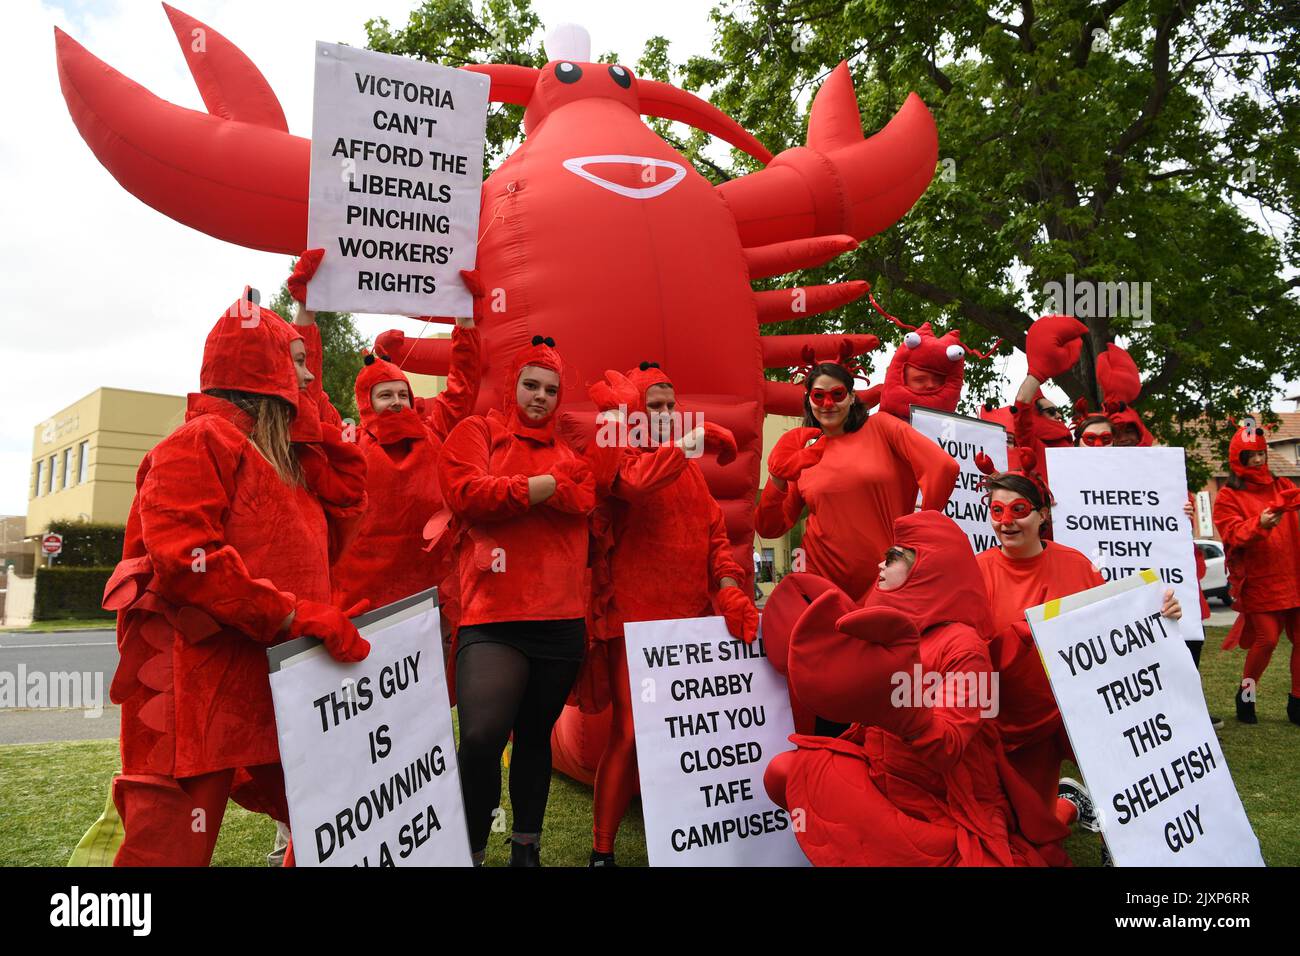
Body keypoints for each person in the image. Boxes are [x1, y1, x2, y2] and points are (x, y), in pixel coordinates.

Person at [102, 293, 369, 866]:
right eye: (296, 361)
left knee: (337, 810)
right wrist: (294, 614)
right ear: (264, 369)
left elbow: (341, 517)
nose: (307, 375)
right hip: (190, 689)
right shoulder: (198, 442)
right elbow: (186, 557)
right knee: (168, 851)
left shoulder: (281, 460)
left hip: (264, 677)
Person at [761, 511, 1070, 866]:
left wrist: (899, 711)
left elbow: (948, 748)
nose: (881, 564)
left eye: (893, 557)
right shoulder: (884, 627)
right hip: (882, 779)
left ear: (926, 568)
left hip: (944, 804)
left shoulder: (965, 647)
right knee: (786, 771)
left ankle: (1063, 809)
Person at [437, 334, 602, 866]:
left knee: (534, 737)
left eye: (551, 389)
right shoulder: (478, 431)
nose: (540, 397)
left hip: (561, 620)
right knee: (482, 737)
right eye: (531, 385)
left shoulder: (571, 452)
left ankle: (526, 848)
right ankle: (472, 849)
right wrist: (548, 486)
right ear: (513, 386)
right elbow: (467, 494)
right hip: (493, 617)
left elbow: (592, 506)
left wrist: (546, 486)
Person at [583, 362, 757, 867]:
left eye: (669, 405)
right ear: (635, 411)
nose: (663, 413)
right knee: (631, 731)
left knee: (691, 734)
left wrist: (728, 590)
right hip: (634, 626)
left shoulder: (691, 476)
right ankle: (602, 852)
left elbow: (717, 543)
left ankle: (694, 839)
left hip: (690, 628)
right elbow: (633, 484)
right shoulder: (620, 456)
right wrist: (691, 443)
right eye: (652, 405)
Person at [974, 460, 1182, 836]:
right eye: (997, 510)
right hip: (998, 716)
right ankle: (1068, 804)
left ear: (1042, 516)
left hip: (1066, 715)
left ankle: (1109, 830)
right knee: (1006, 826)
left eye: (1018, 510)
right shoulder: (975, 570)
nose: (1007, 521)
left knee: (1036, 833)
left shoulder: (1075, 566)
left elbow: (1115, 626)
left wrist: (1161, 611)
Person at [755, 359, 958, 735]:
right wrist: (778, 477)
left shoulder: (882, 428)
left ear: (852, 398)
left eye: (837, 394)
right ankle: (832, 775)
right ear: (809, 401)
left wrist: (915, 537)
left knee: (883, 691)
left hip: (883, 586)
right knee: (832, 691)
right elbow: (770, 526)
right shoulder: (806, 451)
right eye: (819, 395)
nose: (828, 403)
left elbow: (942, 468)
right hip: (823, 589)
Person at [1212, 420, 1300, 725]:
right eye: (1251, 457)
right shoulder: (1227, 497)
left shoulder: (1283, 486)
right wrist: (1259, 524)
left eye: (1261, 454)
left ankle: (1298, 703)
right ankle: (1246, 695)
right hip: (1260, 581)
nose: (1259, 460)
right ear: (1239, 460)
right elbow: (1232, 534)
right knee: (1267, 640)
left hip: (1295, 575)